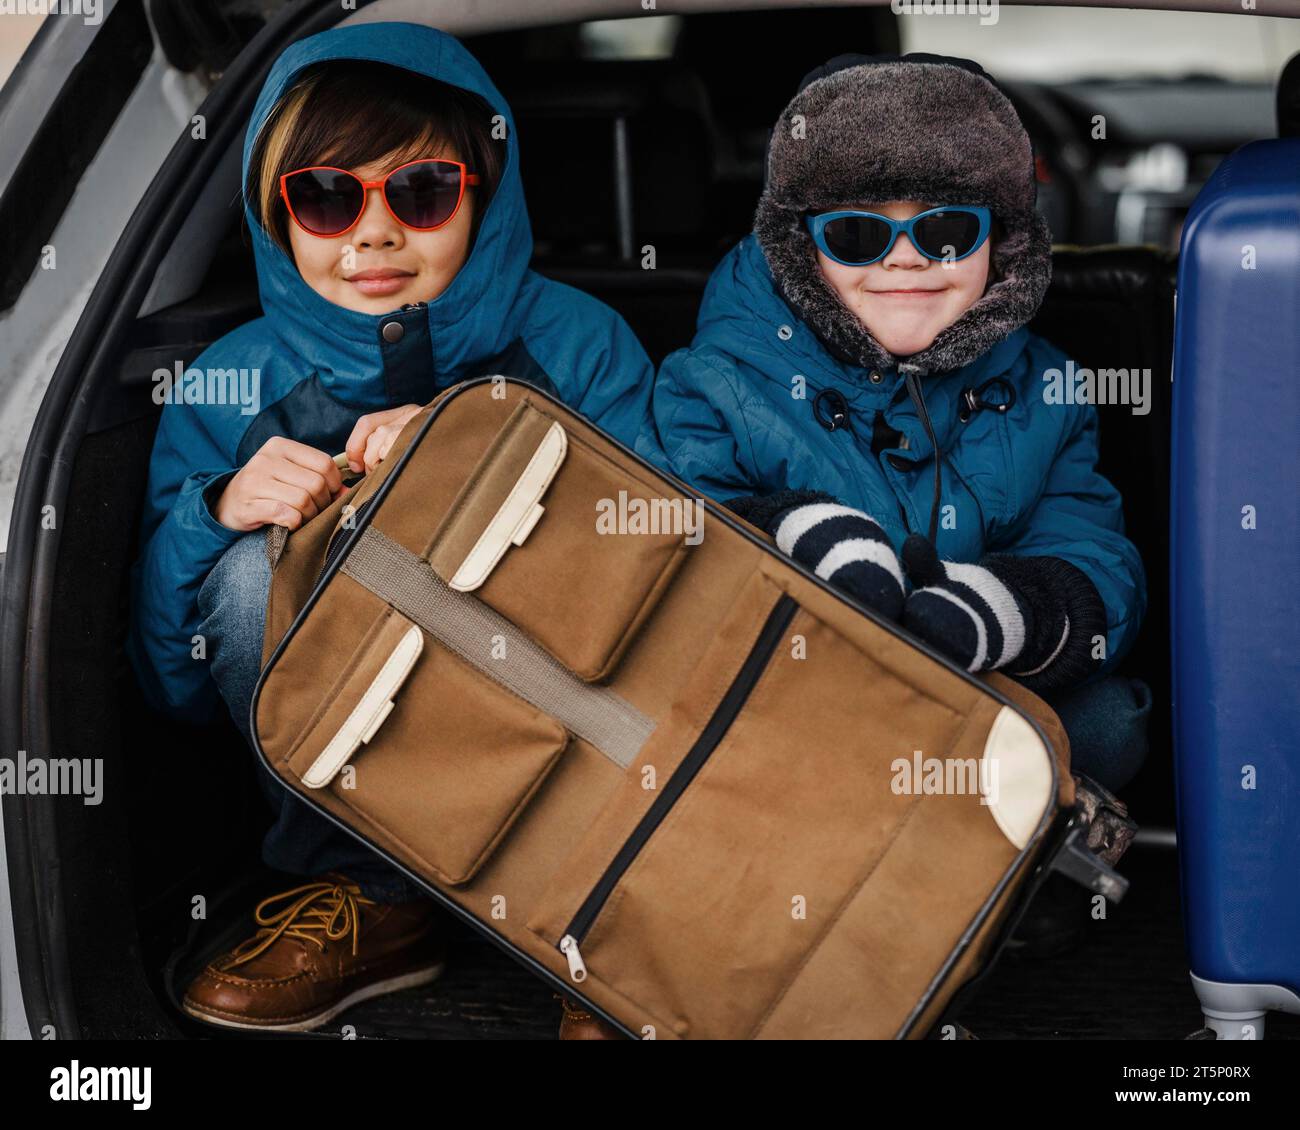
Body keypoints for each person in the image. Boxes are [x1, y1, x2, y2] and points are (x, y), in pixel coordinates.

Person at [126, 21, 661, 1035]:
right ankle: (373, 895)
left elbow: (678, 570)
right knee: (247, 577)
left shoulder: (578, 345)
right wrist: (214, 513)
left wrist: (482, 452)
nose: (373, 233)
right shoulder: (228, 384)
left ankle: (591, 906)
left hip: (566, 748)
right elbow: (175, 681)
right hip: (349, 769)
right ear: (275, 216)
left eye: (420, 194)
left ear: (484, 198)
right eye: (326, 197)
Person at [655, 53, 1151, 795]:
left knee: (1109, 724)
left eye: (947, 230)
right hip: (787, 706)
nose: (907, 260)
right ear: (797, 249)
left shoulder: (1049, 387)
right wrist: (789, 531)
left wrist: (1010, 612)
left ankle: (1014, 884)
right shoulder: (714, 384)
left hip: (971, 704)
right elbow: (672, 557)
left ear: (1002, 240)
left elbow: (1088, 549)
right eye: (857, 235)